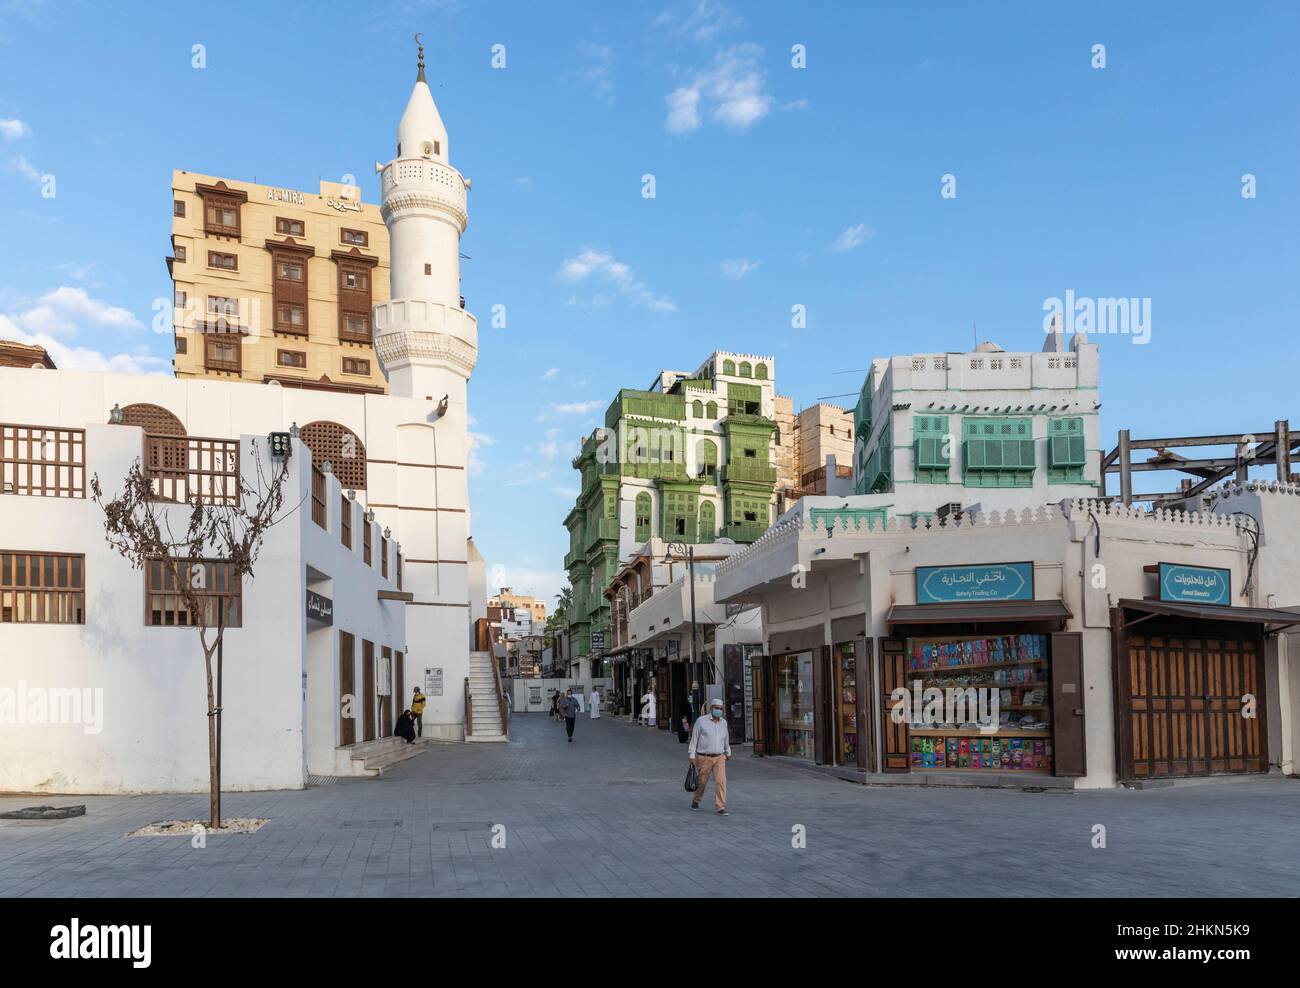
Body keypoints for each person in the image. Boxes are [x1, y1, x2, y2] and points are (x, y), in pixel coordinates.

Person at [687, 698, 732, 815]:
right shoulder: (701, 721)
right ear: (711, 708)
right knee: (701, 781)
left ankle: (720, 806)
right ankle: (696, 800)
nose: (719, 711)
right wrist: (691, 754)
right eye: (716, 708)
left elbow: (726, 739)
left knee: (721, 781)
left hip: (719, 757)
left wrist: (728, 752)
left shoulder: (723, 723)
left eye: (721, 709)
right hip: (704, 757)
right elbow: (694, 739)